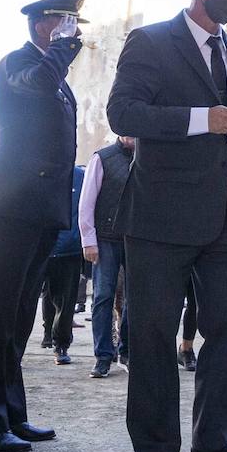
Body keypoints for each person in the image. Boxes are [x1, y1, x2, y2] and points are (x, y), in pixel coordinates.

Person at [107, 0, 227, 452]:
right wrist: (201, 119)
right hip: (161, 214)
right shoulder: (151, 41)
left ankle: (214, 440)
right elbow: (123, 114)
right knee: (152, 334)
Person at [0, 0, 85, 452]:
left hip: (40, 208)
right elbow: (36, 87)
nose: (73, 29)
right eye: (64, 21)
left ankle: (12, 415)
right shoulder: (18, 63)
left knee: (18, 319)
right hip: (12, 204)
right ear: (42, 24)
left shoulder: (56, 74)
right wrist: (61, 49)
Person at [78, 136, 135, 379]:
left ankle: (126, 351)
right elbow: (86, 202)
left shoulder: (148, 157)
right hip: (106, 238)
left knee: (135, 298)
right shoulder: (102, 158)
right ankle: (102, 355)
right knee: (103, 296)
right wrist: (88, 240)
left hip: (135, 238)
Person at [39, 165, 86, 365]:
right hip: (39, 247)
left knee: (65, 301)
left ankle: (61, 344)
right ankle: (45, 334)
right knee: (38, 296)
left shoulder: (80, 177)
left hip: (70, 247)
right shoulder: (37, 171)